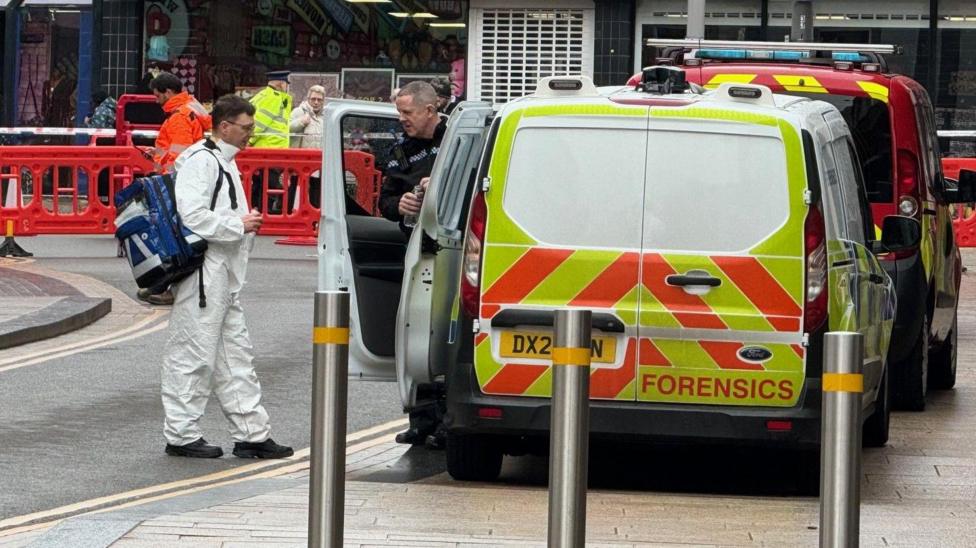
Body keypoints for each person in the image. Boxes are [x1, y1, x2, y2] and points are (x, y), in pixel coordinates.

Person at [161, 94, 293, 460]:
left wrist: (239, 224)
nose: (251, 134)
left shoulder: (221, 160)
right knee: (192, 353)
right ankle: (181, 434)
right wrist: (239, 223)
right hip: (205, 274)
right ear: (224, 126)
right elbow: (192, 215)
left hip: (222, 275)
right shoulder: (202, 161)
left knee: (235, 355)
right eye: (246, 128)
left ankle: (252, 433)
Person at [377, 81, 447, 448]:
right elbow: (384, 202)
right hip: (416, 253)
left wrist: (441, 185)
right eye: (399, 113)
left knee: (444, 336)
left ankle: (448, 422)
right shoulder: (399, 152)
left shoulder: (457, 140)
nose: (401, 119)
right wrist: (399, 204)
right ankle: (421, 421)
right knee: (414, 335)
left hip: (450, 252)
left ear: (430, 111)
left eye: (407, 113)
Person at [139, 72, 213, 306]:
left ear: (168, 92)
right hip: (187, 180)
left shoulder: (179, 117)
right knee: (181, 237)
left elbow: (179, 155)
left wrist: (165, 174)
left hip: (178, 183)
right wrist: (156, 155)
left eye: (157, 94)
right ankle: (163, 285)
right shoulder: (190, 109)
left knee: (177, 238)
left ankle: (168, 286)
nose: (155, 99)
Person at [248, 70, 293, 213]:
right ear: (281, 83)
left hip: (264, 150)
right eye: (286, 84)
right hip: (272, 150)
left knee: (261, 186)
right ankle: (264, 213)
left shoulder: (263, 96)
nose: (287, 87)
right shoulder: (274, 98)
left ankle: (258, 211)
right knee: (270, 187)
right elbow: (259, 124)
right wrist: (249, 140)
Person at [288, 85, 325, 209]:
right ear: (308, 99)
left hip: (318, 162)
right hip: (299, 160)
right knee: (293, 188)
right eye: (313, 99)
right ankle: (288, 213)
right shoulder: (299, 111)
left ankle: (315, 219)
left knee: (316, 190)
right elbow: (286, 128)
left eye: (319, 100)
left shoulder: (326, 116)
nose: (316, 102)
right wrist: (301, 122)